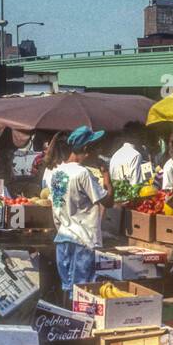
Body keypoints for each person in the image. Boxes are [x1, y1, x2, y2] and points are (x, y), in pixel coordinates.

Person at [43, 126, 111, 299]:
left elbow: (56, 207)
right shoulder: (83, 173)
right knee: (83, 292)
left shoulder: (57, 173)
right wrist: (106, 175)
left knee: (68, 289)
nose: (97, 152)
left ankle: (67, 323)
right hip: (83, 241)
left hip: (63, 239)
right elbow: (108, 201)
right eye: (95, 147)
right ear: (87, 149)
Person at [108, 121, 146, 187]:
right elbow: (136, 185)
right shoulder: (136, 155)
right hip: (132, 195)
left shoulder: (115, 155)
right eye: (142, 136)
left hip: (117, 195)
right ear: (137, 137)